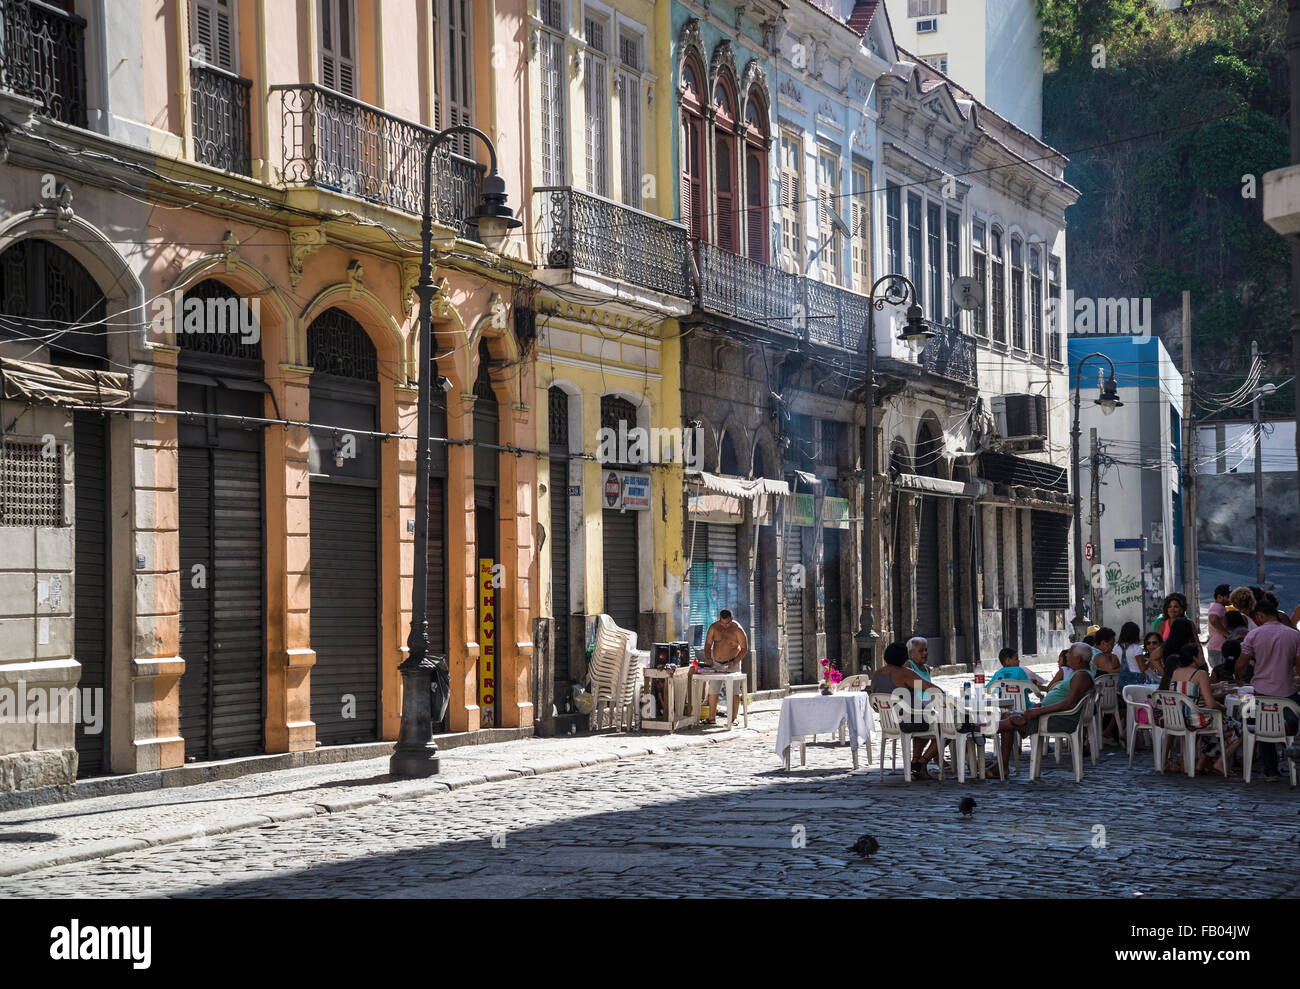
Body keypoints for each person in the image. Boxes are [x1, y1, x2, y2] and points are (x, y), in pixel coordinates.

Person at [986, 643, 1095, 778]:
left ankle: (979, 730)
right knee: (1008, 715)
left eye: (1070, 653)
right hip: (1051, 715)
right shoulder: (1077, 674)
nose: (1067, 655)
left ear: (1078, 659)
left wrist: (1040, 711)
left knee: (1014, 719)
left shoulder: (1081, 676)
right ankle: (1001, 766)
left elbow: (1069, 703)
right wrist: (1040, 707)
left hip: (1059, 719)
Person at [1237, 598, 1300, 781]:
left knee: (1264, 725)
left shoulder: (1254, 635)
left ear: (1261, 615)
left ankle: (1270, 771)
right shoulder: (1293, 635)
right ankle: (1288, 733)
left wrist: (1238, 676)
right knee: (1293, 720)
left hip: (1262, 690)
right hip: (1287, 691)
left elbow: (1241, 664)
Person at [1158, 642, 1240, 775]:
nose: (1203, 657)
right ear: (1194, 658)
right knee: (1239, 728)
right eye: (1200, 654)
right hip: (1194, 721)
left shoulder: (1176, 672)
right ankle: (1219, 762)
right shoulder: (1200, 674)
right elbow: (1211, 704)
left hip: (1178, 719)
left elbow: (1189, 694)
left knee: (1217, 726)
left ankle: (1201, 764)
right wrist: (1223, 708)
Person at [872, 641, 944, 779]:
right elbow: (929, 687)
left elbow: (874, 700)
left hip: (889, 723)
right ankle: (922, 762)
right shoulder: (905, 673)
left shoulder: (877, 674)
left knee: (923, 717)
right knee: (946, 726)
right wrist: (944, 695)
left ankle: (915, 761)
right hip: (907, 722)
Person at [700, 608, 748, 726]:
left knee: (734, 691)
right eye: (722, 623)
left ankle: (733, 718)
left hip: (732, 663)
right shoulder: (714, 627)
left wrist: (735, 661)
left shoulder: (737, 629)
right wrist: (708, 658)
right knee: (713, 690)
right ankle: (711, 718)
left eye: (727, 623)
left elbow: (744, 648)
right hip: (716, 663)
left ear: (732, 619)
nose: (724, 626)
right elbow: (707, 644)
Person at [1207, 584, 1231, 667]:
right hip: (1218, 649)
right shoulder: (1218, 607)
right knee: (1221, 676)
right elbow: (1213, 619)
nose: (1231, 599)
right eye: (1228, 596)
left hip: (1218, 648)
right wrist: (1227, 635)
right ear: (1220, 597)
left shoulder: (1219, 607)